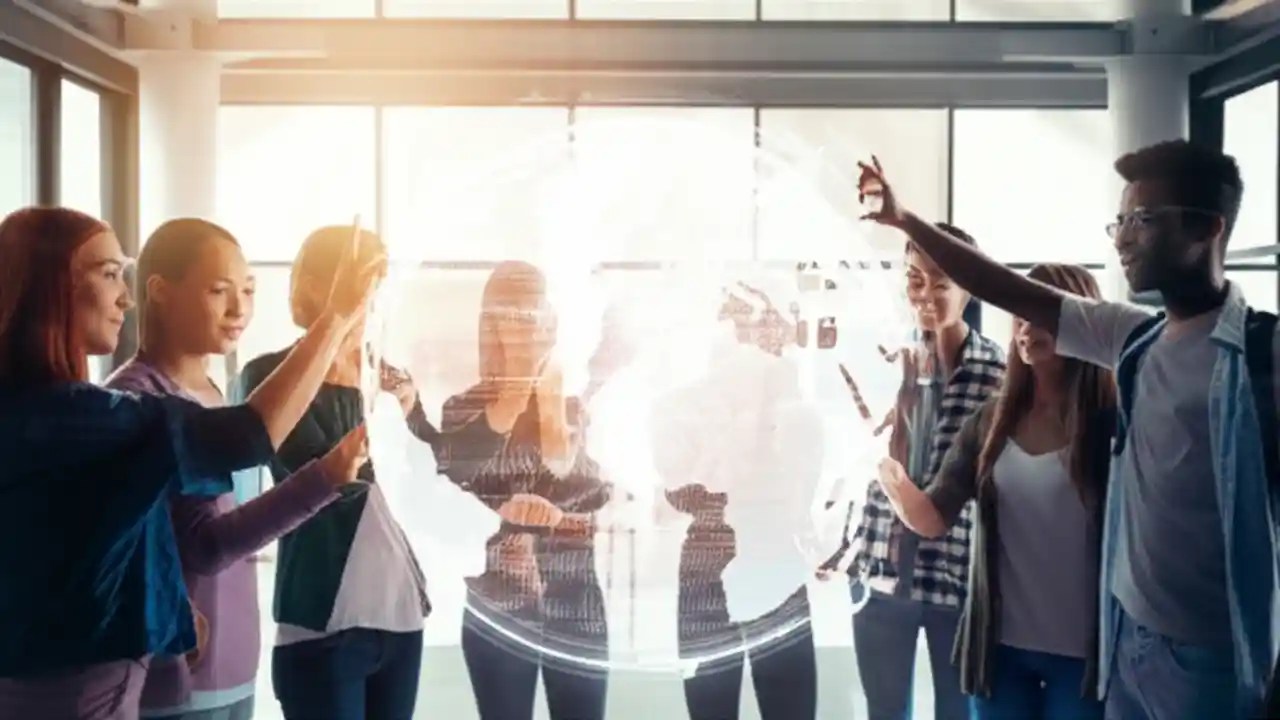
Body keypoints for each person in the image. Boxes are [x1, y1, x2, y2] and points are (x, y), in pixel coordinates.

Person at [856, 140, 1279, 719]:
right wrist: (904, 219)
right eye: (1121, 220)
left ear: (1208, 228)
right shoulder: (1135, 341)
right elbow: (1008, 288)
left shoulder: (1261, 357)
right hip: (1125, 641)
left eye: (1144, 220)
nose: (1124, 237)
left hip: (1210, 655)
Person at [0, 206, 379, 719]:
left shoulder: (45, 413)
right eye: (109, 274)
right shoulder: (85, 419)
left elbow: (86, 552)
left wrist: (170, 607)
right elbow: (247, 438)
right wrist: (336, 317)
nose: (124, 297)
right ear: (50, 286)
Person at [105, 219, 370, 720]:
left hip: (234, 663)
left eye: (248, 290)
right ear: (160, 291)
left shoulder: (216, 395)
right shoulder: (137, 398)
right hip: (177, 674)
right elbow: (208, 545)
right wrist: (326, 478)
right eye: (218, 290)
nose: (239, 309)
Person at [876, 263, 1114, 720]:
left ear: (1083, 322)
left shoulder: (1113, 422)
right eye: (1019, 316)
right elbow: (931, 518)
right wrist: (887, 471)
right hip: (998, 651)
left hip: (1086, 655)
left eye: (1043, 314)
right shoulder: (990, 420)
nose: (1027, 328)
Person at [236, 226, 433, 720]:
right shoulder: (269, 377)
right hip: (323, 621)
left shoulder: (391, 382)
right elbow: (312, 475)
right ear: (323, 288)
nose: (371, 303)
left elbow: (427, 484)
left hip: (400, 614)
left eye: (377, 288)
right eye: (363, 287)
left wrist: (410, 412)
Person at [822, 223, 1005, 720]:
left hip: (958, 577)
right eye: (913, 280)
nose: (924, 295)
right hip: (880, 574)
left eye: (941, 283)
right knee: (884, 712)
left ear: (969, 289)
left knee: (958, 711)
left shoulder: (998, 372)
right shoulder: (880, 362)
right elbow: (849, 464)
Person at [437, 260, 612, 720]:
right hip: (497, 607)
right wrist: (515, 388)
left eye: (534, 317)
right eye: (512, 318)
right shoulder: (460, 411)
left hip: (577, 603)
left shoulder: (575, 406)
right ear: (490, 325)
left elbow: (596, 504)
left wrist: (552, 408)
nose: (525, 331)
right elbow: (454, 501)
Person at [650, 281, 823, 720]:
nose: (749, 340)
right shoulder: (682, 404)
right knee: (710, 708)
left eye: (756, 327)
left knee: (791, 708)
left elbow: (803, 485)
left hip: (774, 561)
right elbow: (674, 492)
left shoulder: (789, 405)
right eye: (738, 326)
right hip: (711, 567)